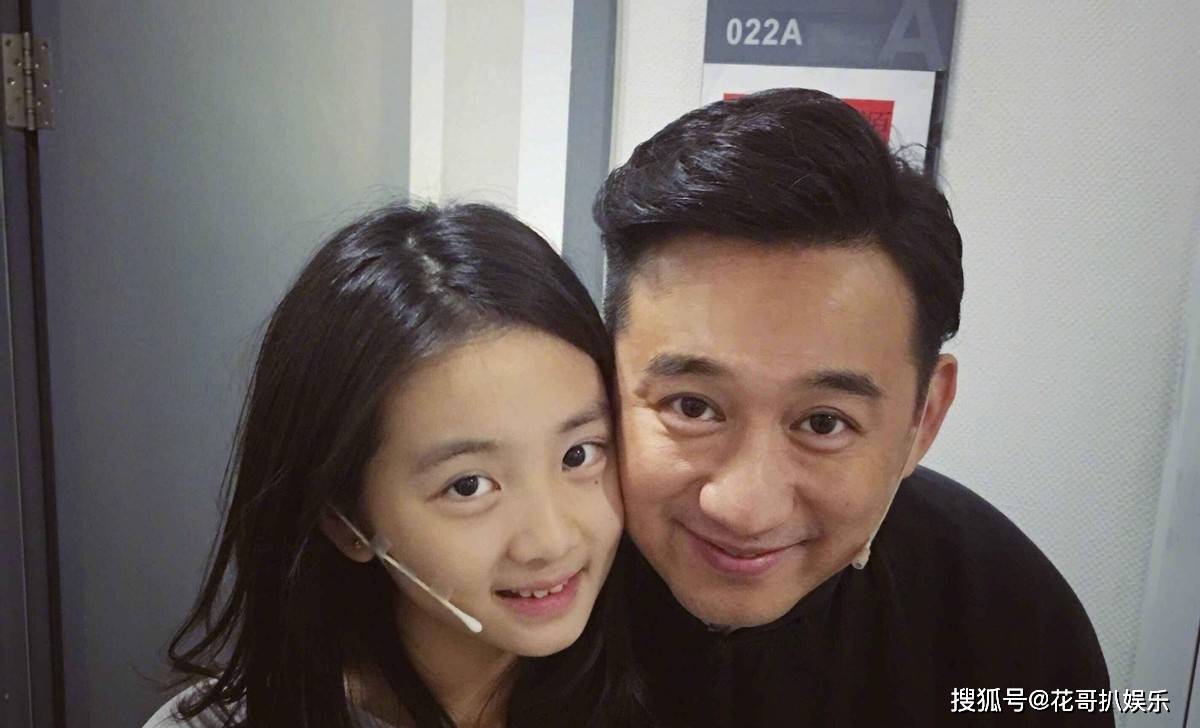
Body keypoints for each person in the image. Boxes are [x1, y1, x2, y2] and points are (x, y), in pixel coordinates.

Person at [594, 88, 1113, 726]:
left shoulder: (1007, 623)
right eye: (693, 407)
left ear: (923, 419)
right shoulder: (523, 588)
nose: (745, 510)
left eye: (823, 423)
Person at [144, 203, 645, 728]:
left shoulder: (674, 691)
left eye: (578, 454)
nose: (551, 541)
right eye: (469, 485)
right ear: (346, 522)